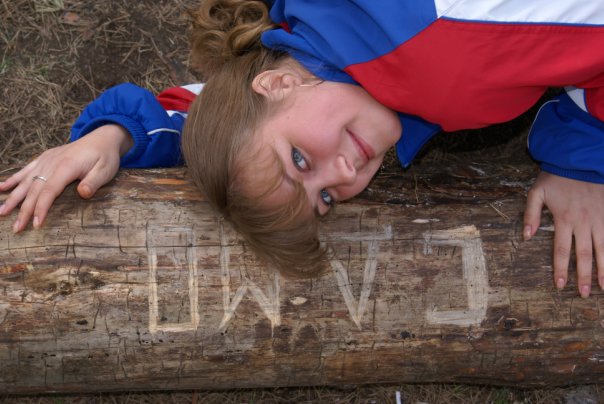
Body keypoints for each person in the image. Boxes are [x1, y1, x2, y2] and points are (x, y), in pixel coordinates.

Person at [1, 1, 604, 293]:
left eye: (299, 161)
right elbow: (209, 114)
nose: (341, 175)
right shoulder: (313, 31)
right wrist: (114, 134)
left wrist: (582, 154)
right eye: (325, 199)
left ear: (277, 85)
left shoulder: (448, 65)